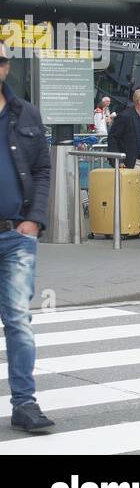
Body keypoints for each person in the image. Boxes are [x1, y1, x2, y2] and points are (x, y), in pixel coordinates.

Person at [0, 42, 55, 432]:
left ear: (5, 68)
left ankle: (25, 403)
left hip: (16, 234)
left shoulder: (25, 113)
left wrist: (33, 220)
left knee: (18, 319)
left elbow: (42, 170)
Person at [108, 88, 140, 207]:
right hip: (134, 160)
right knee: (139, 194)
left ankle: (138, 223)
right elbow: (113, 138)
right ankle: (135, 225)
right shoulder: (125, 116)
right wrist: (117, 160)